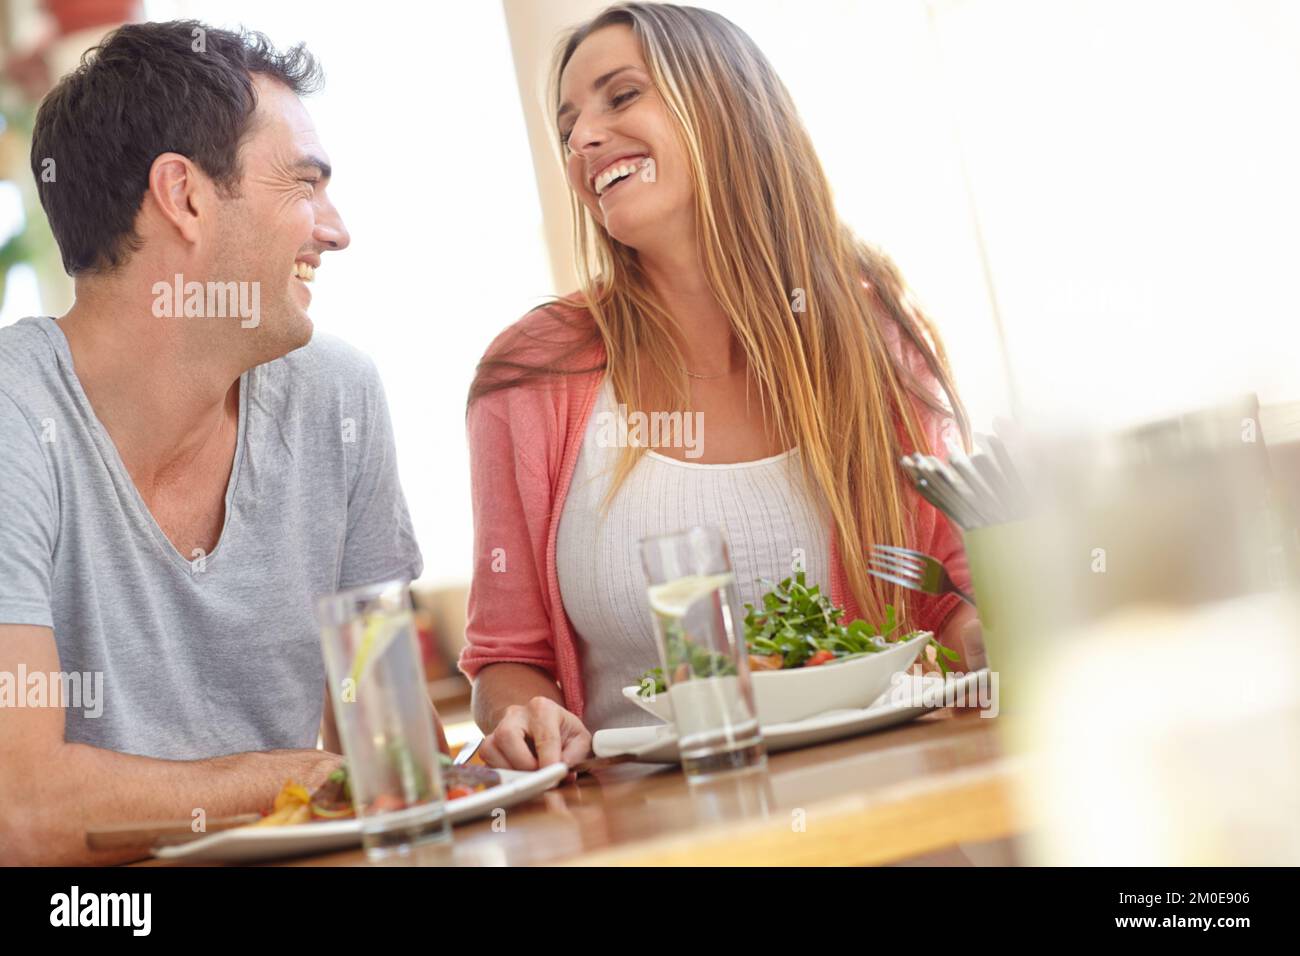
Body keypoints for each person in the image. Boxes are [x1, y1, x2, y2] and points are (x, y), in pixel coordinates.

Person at [461, 2, 987, 772]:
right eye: (567, 122)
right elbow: (508, 656)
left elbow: (947, 604)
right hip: (659, 832)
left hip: (890, 807)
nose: (582, 138)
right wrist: (520, 717)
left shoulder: (872, 336)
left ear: (723, 103)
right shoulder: (531, 371)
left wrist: (987, 635)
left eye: (621, 95)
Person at [0, 21, 427, 865]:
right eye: (304, 186)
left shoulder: (339, 397)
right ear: (185, 197)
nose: (335, 230)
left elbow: (393, 747)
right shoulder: (15, 417)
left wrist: (507, 734)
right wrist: (291, 781)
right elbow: (23, 810)